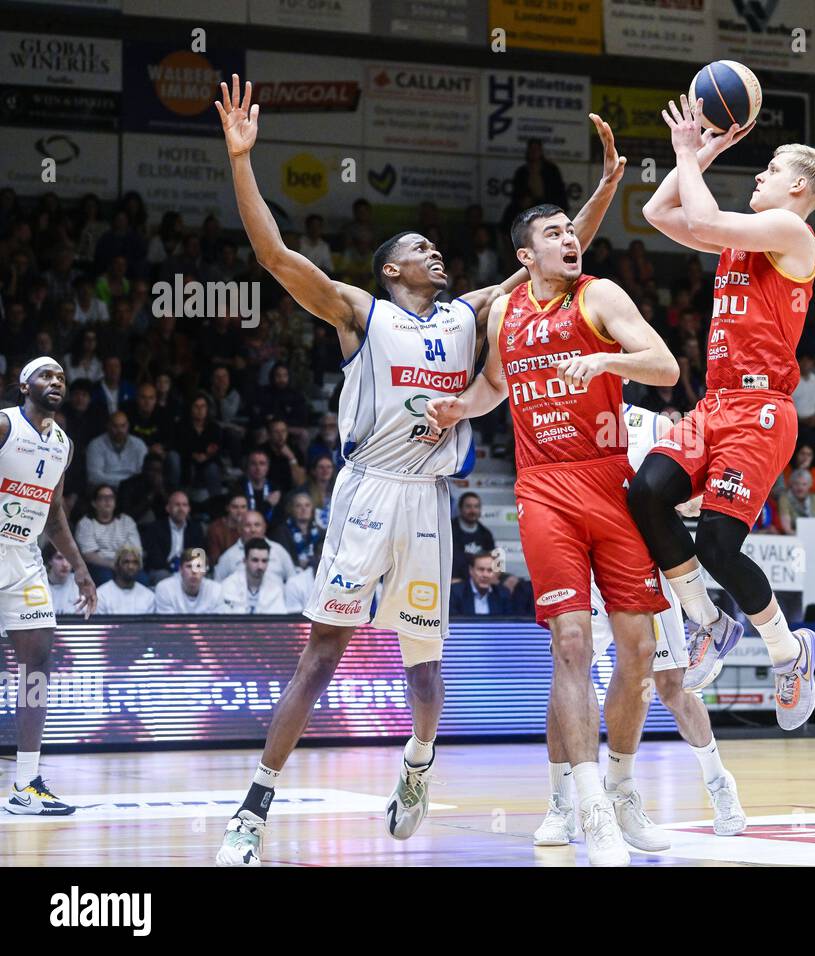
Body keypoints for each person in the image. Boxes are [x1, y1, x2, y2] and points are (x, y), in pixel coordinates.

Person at [212, 75, 629, 866]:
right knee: (323, 653)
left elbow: (552, 257)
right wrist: (243, 160)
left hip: (431, 500)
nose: (431, 251)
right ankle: (253, 809)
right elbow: (273, 253)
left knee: (426, 670)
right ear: (392, 271)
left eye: (432, 249)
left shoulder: (470, 312)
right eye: (416, 251)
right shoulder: (358, 312)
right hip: (369, 491)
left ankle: (417, 765)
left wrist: (605, 188)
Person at [428, 190, 681, 865]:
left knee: (637, 653)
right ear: (526, 254)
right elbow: (493, 385)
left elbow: (666, 366)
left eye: (574, 231)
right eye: (554, 233)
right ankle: (587, 804)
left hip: (610, 481)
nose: (570, 240)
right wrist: (460, 409)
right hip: (544, 491)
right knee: (571, 645)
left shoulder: (599, 297)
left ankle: (623, 789)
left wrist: (606, 362)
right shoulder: (507, 309)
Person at [629, 97, 815, 730]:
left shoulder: (792, 234)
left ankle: (785, 648)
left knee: (719, 542)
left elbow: (708, 219)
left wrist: (691, 152)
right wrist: (704, 151)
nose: (758, 176)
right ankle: (710, 624)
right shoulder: (743, 242)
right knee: (646, 494)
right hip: (714, 403)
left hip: (762, 410)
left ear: (797, 187)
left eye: (769, 169)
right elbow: (657, 211)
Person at [535, 403, 746, 846]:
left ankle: (718, 783)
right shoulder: (561, 417)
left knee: (672, 685)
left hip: (645, 564)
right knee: (571, 671)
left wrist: (696, 491)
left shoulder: (656, 424)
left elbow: (689, 500)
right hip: (583, 564)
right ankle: (560, 804)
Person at [0, 358, 97, 815]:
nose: (56, 382)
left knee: (37, 659)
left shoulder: (62, 443)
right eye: (46, 375)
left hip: (24, 556)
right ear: (24, 385)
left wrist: (79, 568)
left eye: (61, 377)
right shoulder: (4, 425)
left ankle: (25, 782)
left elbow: (54, 511)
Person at [74, 483, 142, 585]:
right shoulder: (85, 523)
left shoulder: (126, 521)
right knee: (105, 578)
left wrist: (123, 564)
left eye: (111, 497)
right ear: (94, 503)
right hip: (99, 566)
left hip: (126, 564)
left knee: (142, 579)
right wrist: (114, 564)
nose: (107, 501)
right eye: (102, 497)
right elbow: (88, 555)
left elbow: (135, 550)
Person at [141, 490, 205, 584]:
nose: (181, 508)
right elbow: (154, 559)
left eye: (184, 505)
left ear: (189, 509)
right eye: (177, 505)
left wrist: (186, 570)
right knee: (165, 577)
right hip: (163, 570)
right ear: (168, 508)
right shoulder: (155, 528)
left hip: (188, 569)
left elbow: (199, 554)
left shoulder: (195, 529)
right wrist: (177, 569)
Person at [215, 510, 295, 583]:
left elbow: (293, 581)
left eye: (257, 525)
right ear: (239, 529)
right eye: (247, 525)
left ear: (264, 528)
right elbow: (217, 587)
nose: (253, 530)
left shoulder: (279, 551)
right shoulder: (228, 557)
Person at [218, 538, 287, 614]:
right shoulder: (228, 586)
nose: (260, 566)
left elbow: (279, 620)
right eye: (255, 560)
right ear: (245, 561)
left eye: (264, 561)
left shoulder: (276, 589)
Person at [85, 411, 147, 490]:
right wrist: (123, 483)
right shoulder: (95, 445)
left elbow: (143, 474)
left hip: (133, 489)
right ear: (108, 426)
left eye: (123, 426)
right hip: (105, 489)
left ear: (128, 426)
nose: (119, 430)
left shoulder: (139, 445)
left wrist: (126, 484)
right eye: (115, 426)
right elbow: (94, 477)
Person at [154, 547, 224, 614]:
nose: (194, 571)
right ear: (180, 569)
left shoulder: (216, 590)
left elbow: (216, 624)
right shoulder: (165, 589)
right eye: (189, 566)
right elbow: (166, 624)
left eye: (198, 566)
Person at [94, 545, 155, 614]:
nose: (130, 566)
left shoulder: (149, 596)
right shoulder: (101, 595)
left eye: (135, 562)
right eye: (126, 562)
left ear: (139, 567)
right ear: (116, 565)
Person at [271, 492, 323, 573]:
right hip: (291, 574)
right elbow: (283, 557)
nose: (303, 509)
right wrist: (298, 563)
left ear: (312, 509)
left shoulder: (320, 532)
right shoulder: (282, 532)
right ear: (291, 509)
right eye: (298, 506)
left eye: (307, 505)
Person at [450, 491, 495, 582]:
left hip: (480, 578)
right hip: (455, 578)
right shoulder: (450, 530)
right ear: (460, 508)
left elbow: (495, 560)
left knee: (511, 581)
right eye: (468, 506)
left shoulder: (485, 533)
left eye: (476, 507)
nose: (472, 510)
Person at [776, 467, 815, 532]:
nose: (800, 488)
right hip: (793, 537)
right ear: (791, 484)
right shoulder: (784, 499)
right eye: (796, 484)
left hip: (814, 534)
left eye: (804, 484)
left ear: (810, 485)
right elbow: (787, 529)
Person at [207, 493, 248, 564]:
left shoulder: (251, 525)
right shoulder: (216, 528)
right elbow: (215, 559)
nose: (240, 511)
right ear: (227, 508)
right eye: (235, 507)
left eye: (243, 507)